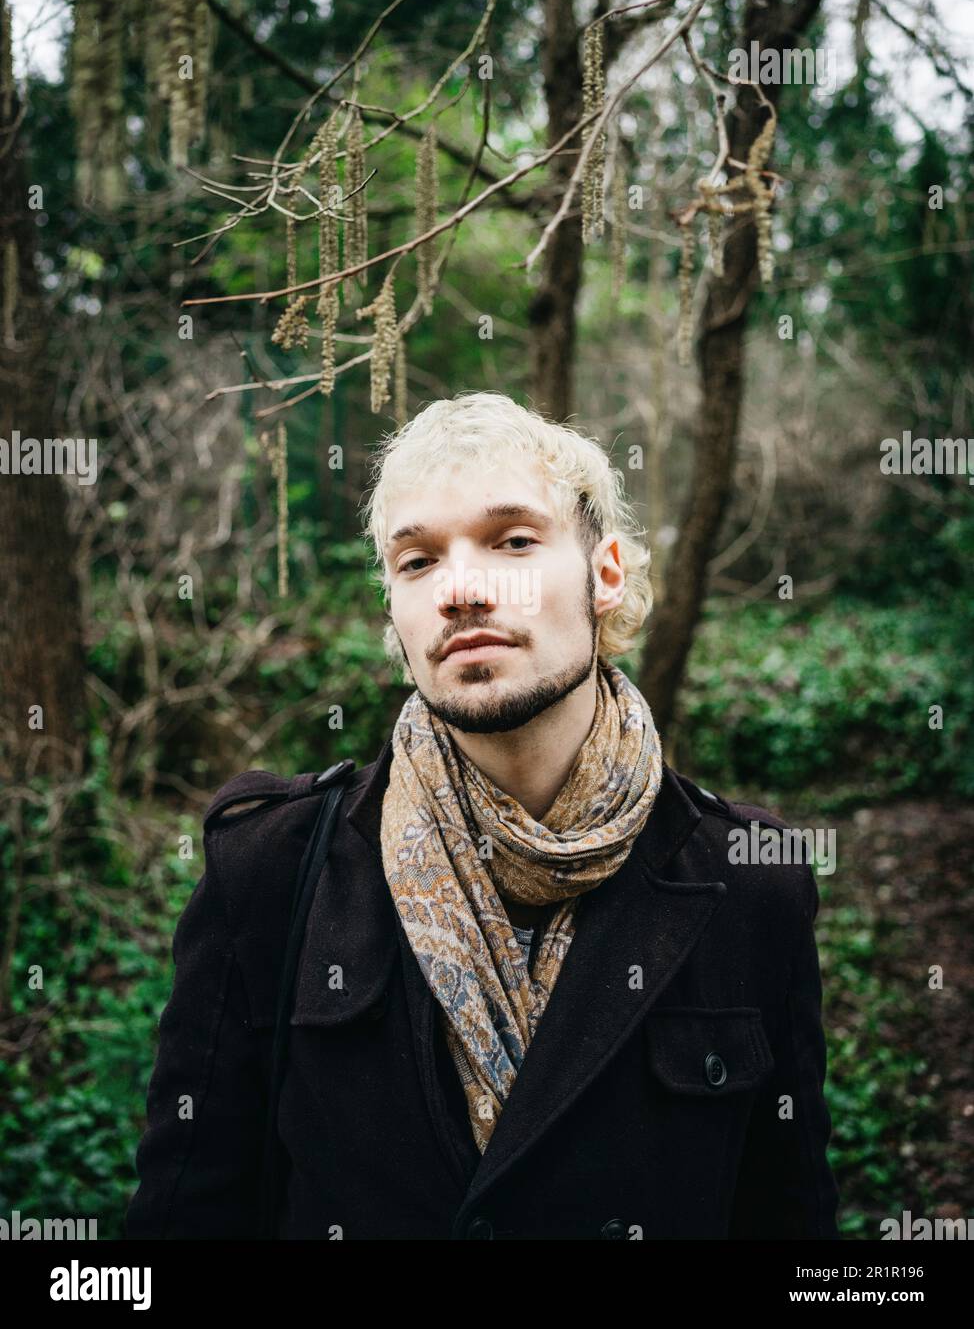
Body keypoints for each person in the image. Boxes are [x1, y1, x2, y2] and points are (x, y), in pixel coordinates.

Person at [125, 389, 841, 1240]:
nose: (461, 590)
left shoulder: (750, 879)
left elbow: (792, 1225)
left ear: (604, 574)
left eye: (512, 542)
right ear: (393, 605)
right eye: (418, 561)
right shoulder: (273, 871)